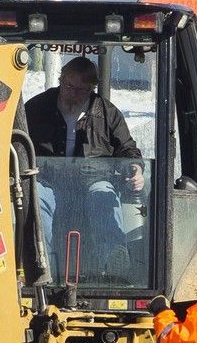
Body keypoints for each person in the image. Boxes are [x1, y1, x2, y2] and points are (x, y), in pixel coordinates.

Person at [26, 57, 141, 279]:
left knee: (103, 198)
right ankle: (41, 264)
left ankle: (114, 260)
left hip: (94, 180)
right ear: (61, 80)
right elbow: (16, 141)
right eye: (68, 86)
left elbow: (127, 148)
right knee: (37, 200)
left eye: (81, 90)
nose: (73, 93)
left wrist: (135, 168)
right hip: (48, 179)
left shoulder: (106, 113)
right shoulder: (37, 108)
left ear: (91, 89)